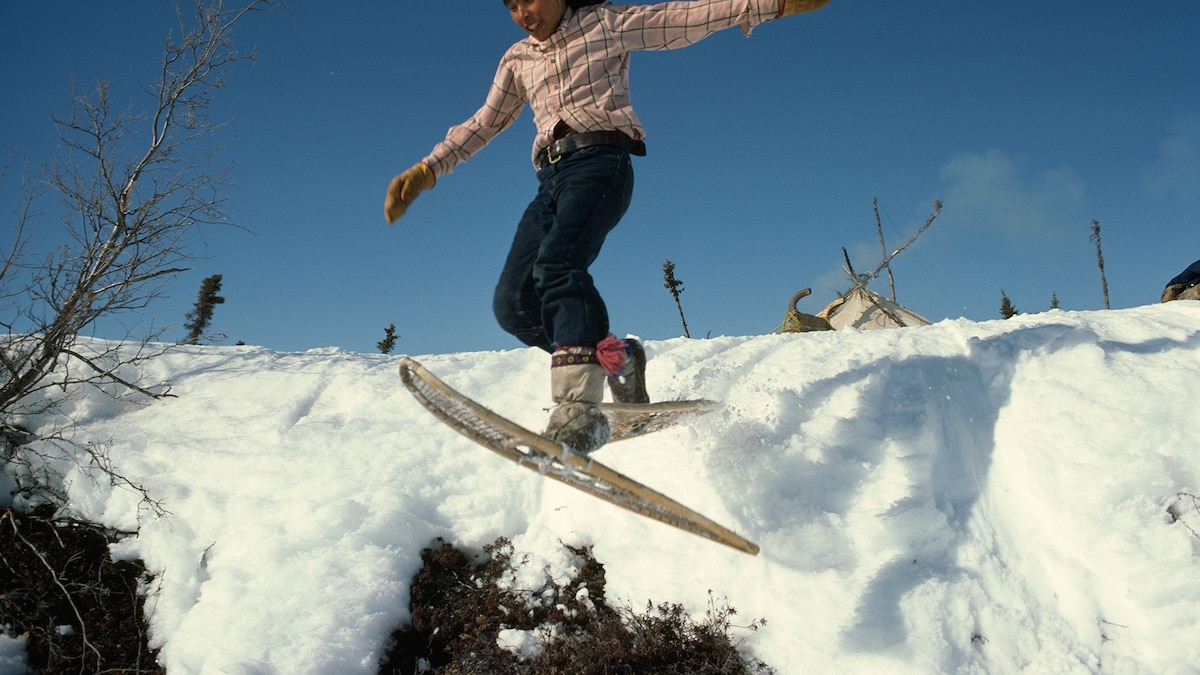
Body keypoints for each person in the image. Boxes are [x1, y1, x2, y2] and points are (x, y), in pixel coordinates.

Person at [385, 0, 833, 454]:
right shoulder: (517, 58)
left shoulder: (605, 23)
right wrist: (429, 169)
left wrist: (767, 5)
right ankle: (618, 362)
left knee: (558, 263)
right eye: (512, 5)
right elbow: (486, 121)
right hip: (551, 180)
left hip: (601, 163)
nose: (523, 12)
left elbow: (682, 19)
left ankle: (580, 409)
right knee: (514, 305)